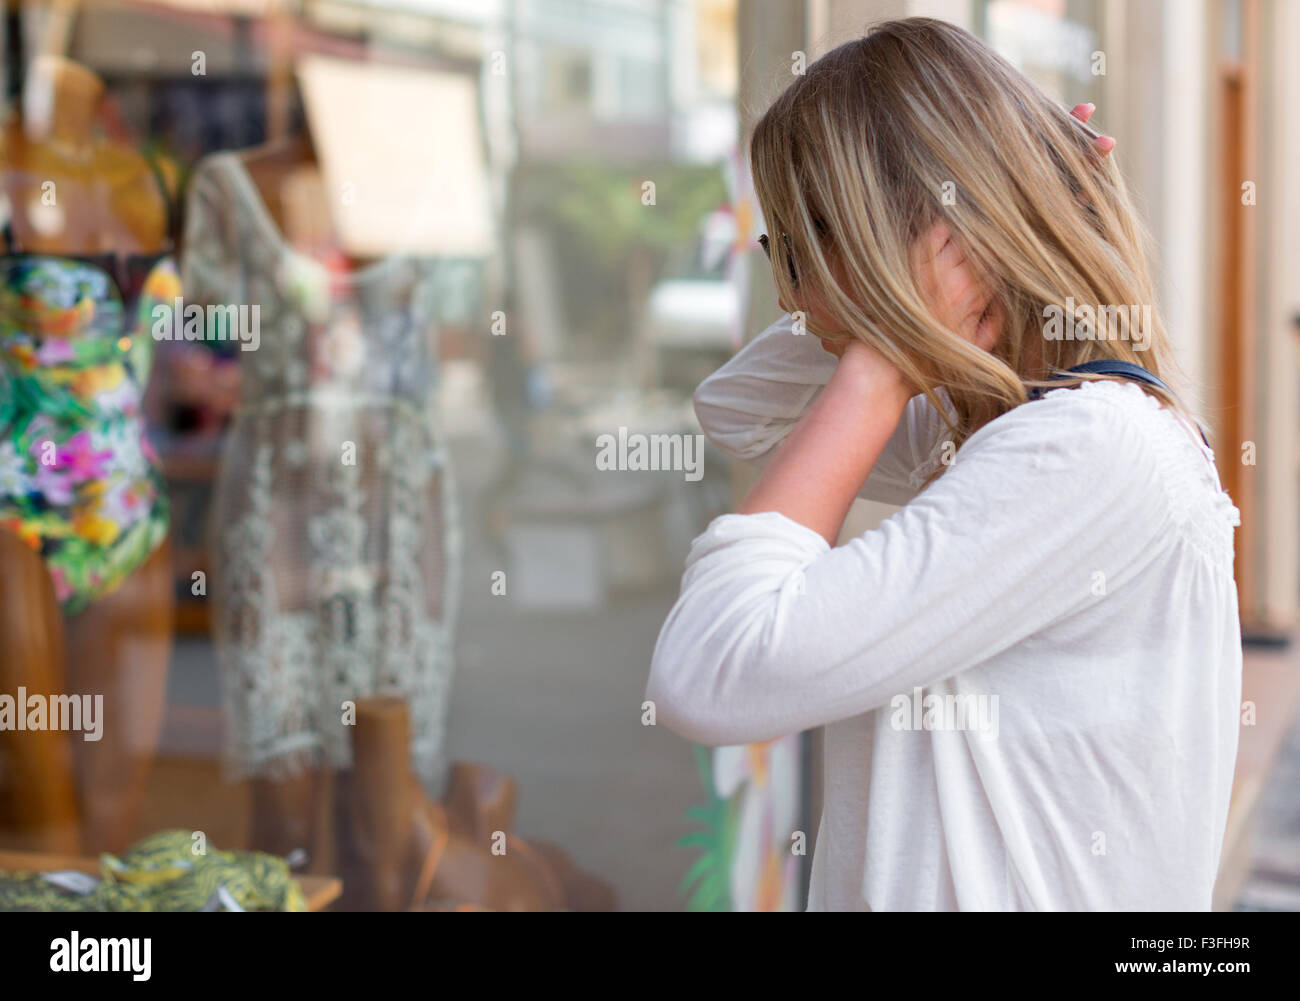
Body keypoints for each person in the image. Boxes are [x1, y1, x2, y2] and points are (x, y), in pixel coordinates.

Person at [646, 18, 1241, 911]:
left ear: (895, 243)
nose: (784, 295)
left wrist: (884, 350)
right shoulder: (1013, 424)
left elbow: (710, 669)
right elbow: (733, 409)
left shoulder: (1083, 453)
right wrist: (892, 317)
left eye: (802, 251)